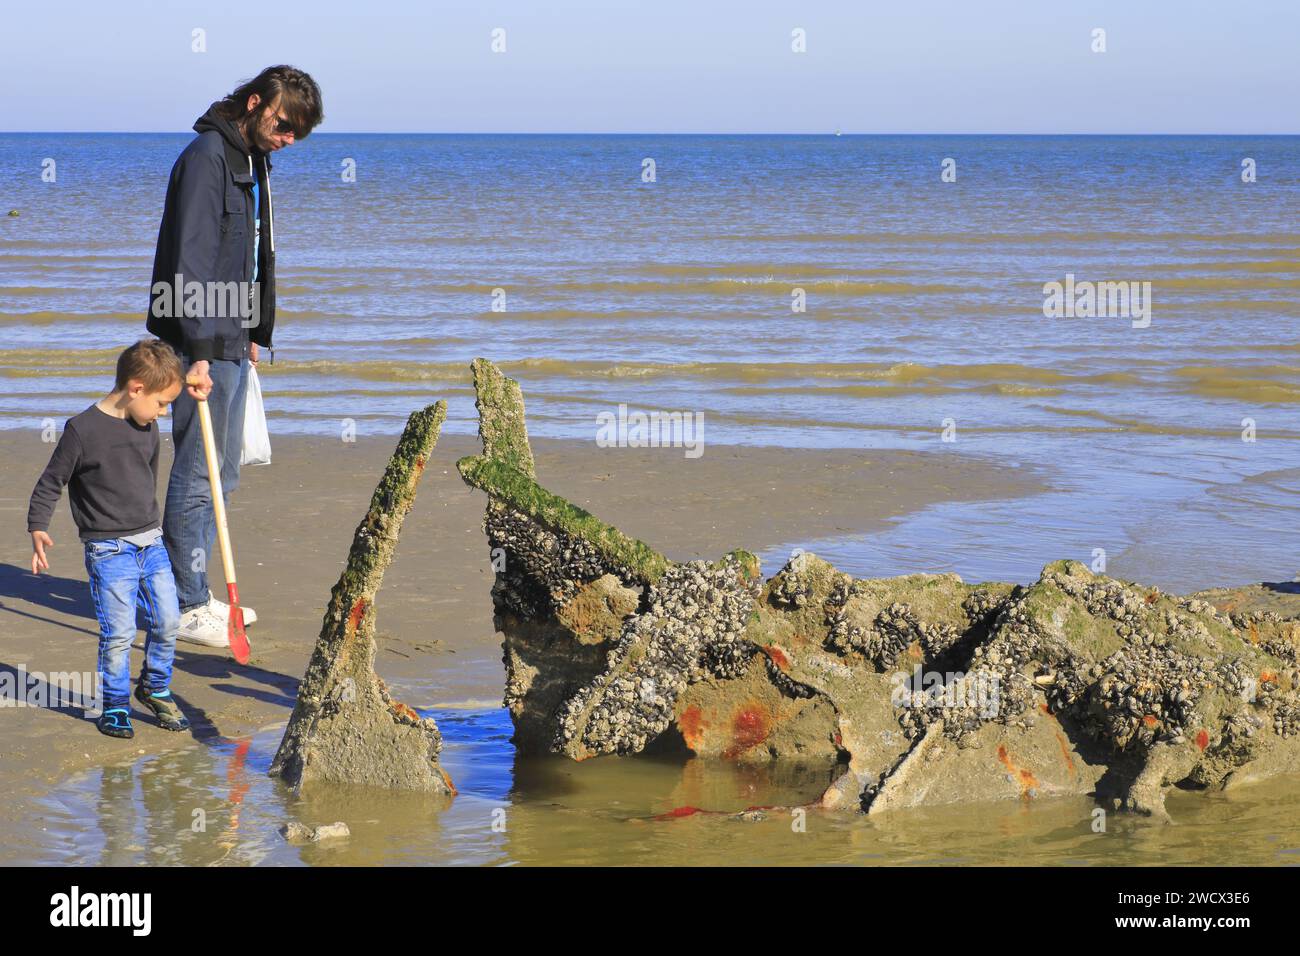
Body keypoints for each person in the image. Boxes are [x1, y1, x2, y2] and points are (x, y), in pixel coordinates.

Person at [145, 65, 323, 647]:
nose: (288, 138)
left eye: (298, 132)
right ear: (255, 104)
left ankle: (195, 592)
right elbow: (189, 261)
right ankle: (186, 604)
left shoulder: (252, 159)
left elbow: (245, 256)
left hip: (228, 333)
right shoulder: (207, 158)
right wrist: (195, 352)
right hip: (199, 340)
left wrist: (252, 328)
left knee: (223, 471)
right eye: (283, 124)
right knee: (198, 471)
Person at [27, 340, 190, 739]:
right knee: (118, 634)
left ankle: (154, 686)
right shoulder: (81, 431)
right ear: (136, 389)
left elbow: (147, 476)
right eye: (161, 403)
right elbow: (51, 482)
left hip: (151, 543)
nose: (164, 413)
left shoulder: (147, 426)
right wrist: (38, 527)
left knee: (169, 621)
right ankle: (115, 705)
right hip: (108, 551)